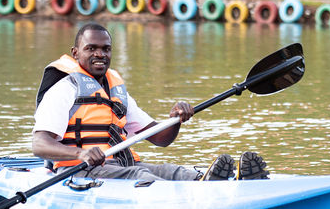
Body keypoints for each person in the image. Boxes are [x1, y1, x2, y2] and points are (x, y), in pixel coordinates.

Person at [31, 22, 269, 184]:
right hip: (79, 172)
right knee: (141, 174)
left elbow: (159, 138)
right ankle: (204, 191)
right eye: (90, 48)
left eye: (106, 49)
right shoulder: (64, 89)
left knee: (172, 170)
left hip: (120, 167)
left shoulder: (116, 91)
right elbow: (39, 144)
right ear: (75, 52)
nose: (100, 54)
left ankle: (217, 183)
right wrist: (80, 153)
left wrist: (176, 118)